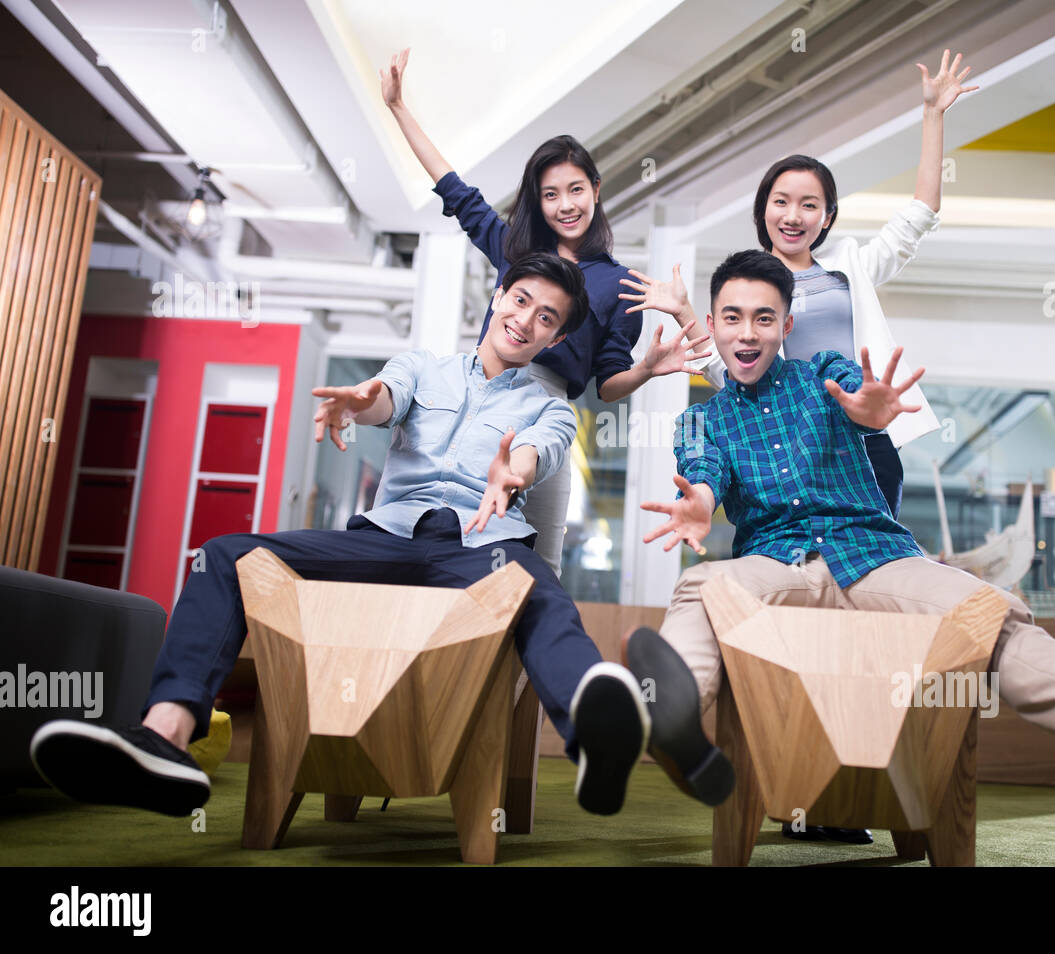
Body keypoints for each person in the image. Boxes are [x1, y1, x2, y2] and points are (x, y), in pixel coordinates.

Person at [30, 252, 732, 820]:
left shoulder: (545, 405)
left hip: (480, 546)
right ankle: (165, 740)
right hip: (384, 542)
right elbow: (384, 397)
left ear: (554, 338)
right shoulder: (422, 365)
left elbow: (539, 452)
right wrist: (365, 403)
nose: (527, 320)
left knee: (537, 590)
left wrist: (509, 474)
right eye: (520, 301)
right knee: (226, 556)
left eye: (546, 318)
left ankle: (593, 734)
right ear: (498, 298)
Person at [624, 250, 1055, 815]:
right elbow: (702, 473)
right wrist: (700, 504)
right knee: (703, 586)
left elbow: (861, 396)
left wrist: (869, 412)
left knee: (988, 608)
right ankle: (677, 724)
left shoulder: (823, 374)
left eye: (764, 318)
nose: (747, 332)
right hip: (776, 565)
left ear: (786, 327)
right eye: (733, 317)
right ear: (713, 322)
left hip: (874, 556)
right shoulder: (699, 418)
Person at [382, 48, 711, 575]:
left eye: (576, 190)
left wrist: (647, 370)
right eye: (551, 193)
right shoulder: (518, 252)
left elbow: (607, 383)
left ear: (596, 191)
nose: (566, 204)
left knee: (544, 564)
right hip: (482, 392)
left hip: (547, 413)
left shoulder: (621, 284)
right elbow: (454, 188)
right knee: (456, 536)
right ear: (538, 200)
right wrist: (399, 107)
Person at [618, 49, 978, 524]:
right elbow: (728, 366)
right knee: (797, 552)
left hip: (860, 428)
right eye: (781, 201)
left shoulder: (850, 266)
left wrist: (933, 115)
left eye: (809, 205)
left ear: (827, 216)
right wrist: (684, 312)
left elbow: (918, 217)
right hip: (787, 437)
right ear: (763, 208)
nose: (793, 216)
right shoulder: (748, 287)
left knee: (872, 548)